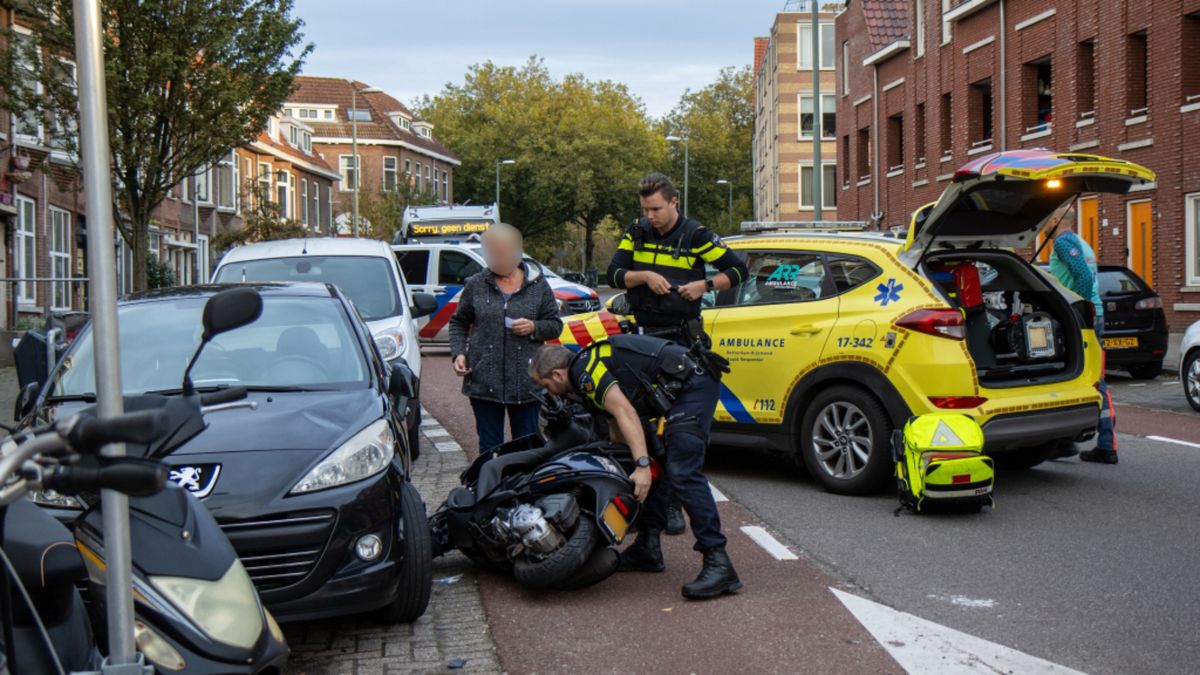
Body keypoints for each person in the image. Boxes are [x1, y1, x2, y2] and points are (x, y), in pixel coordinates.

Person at [530, 336, 741, 600]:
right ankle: (648, 548)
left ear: (558, 374)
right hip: (678, 387)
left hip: (694, 385)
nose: (548, 391)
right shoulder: (582, 376)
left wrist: (641, 465)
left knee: (682, 471)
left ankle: (719, 562)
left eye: (545, 384)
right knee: (657, 465)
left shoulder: (584, 372)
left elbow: (626, 413)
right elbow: (615, 426)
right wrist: (631, 461)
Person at [606, 172, 747, 535]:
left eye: (656, 209)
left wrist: (705, 284)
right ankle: (644, 503)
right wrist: (645, 276)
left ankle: (670, 504)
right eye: (645, 209)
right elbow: (614, 273)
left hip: (680, 343)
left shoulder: (696, 235)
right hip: (643, 340)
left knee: (674, 429)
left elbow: (738, 269)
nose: (650, 216)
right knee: (639, 425)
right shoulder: (636, 231)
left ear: (674, 203)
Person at [449, 223, 563, 453]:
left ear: (517, 252)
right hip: (484, 382)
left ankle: (524, 489)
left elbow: (555, 325)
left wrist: (534, 327)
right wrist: (459, 353)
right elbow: (458, 323)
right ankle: (489, 487)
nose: (498, 258)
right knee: (490, 448)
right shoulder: (476, 285)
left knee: (527, 447)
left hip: (527, 382)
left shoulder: (538, 285)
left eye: (503, 252)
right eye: (492, 253)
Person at [1049, 228, 1117, 464]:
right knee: (1071, 377)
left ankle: (1106, 445)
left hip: (1083, 318)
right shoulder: (1081, 241)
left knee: (1096, 380)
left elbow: (1084, 277)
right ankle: (1063, 442)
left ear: (1057, 219)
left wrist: (1077, 313)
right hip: (1092, 315)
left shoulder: (1062, 241)